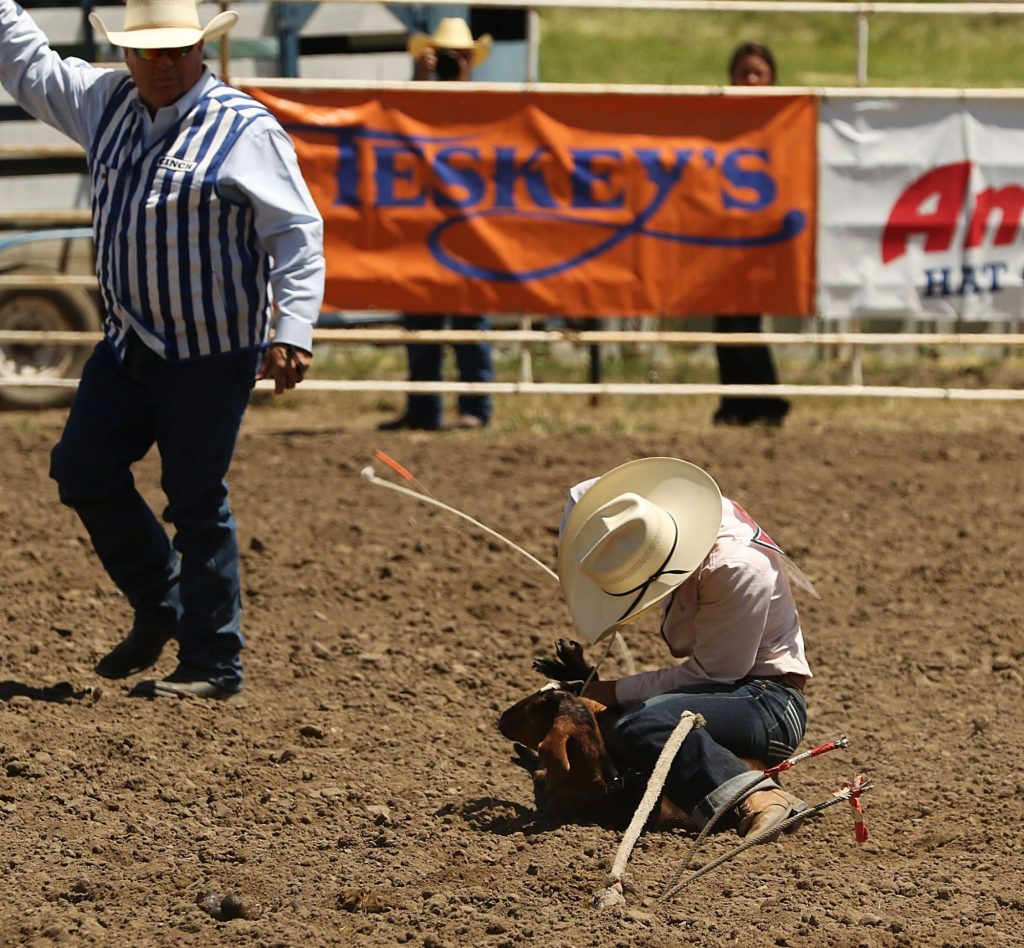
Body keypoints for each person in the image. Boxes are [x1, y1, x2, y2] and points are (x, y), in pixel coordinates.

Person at [0, 0, 326, 698]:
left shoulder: (244, 128)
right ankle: (162, 601)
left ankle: (213, 661)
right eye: (150, 52)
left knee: (196, 498)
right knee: (82, 468)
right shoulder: (104, 101)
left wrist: (291, 329)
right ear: (128, 55)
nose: (165, 65)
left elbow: (295, 234)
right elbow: (29, 65)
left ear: (201, 50)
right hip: (130, 339)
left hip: (212, 349)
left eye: (178, 50)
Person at [558, 457, 813, 839]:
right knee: (622, 725)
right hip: (737, 693)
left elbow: (715, 674)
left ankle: (758, 797)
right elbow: (582, 496)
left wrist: (608, 691)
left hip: (769, 702)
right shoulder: (673, 525)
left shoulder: (736, 566)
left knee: (641, 724)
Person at [379, 17, 494, 432]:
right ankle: (425, 407)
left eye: (458, 57)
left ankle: (473, 407)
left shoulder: (485, 106)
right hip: (424, 226)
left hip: (467, 228)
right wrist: (418, 82)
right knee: (420, 321)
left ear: (470, 62)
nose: (451, 64)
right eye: (447, 57)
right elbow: (392, 128)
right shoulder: (415, 103)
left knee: (469, 323)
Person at [712, 41, 791, 428]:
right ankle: (738, 401)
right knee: (724, 321)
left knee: (743, 320)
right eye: (744, 73)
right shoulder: (719, 120)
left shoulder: (783, 122)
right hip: (721, 234)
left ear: (772, 79)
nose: (751, 81)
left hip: (763, 237)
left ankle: (764, 400)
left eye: (758, 74)